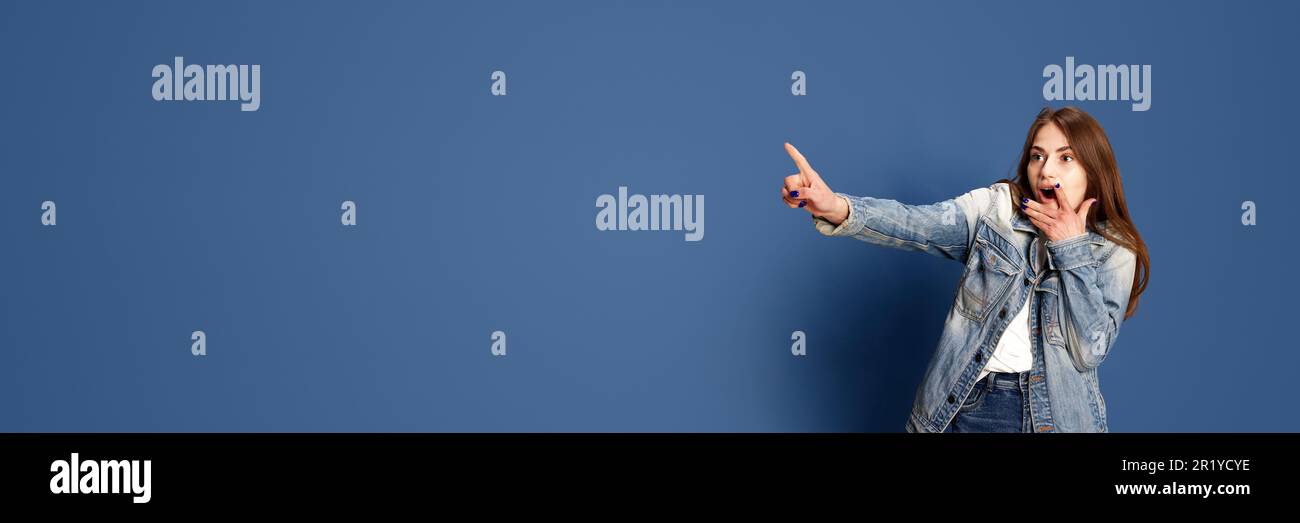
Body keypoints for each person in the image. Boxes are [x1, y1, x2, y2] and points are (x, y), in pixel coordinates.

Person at [781, 106, 1150, 433]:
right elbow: (917, 225)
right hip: (973, 406)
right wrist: (835, 207)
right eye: (1037, 156)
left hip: (1059, 419)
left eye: (1065, 158)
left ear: (1092, 168)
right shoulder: (997, 210)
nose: (1046, 169)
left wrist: (1070, 248)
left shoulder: (1115, 249)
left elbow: (1089, 350)